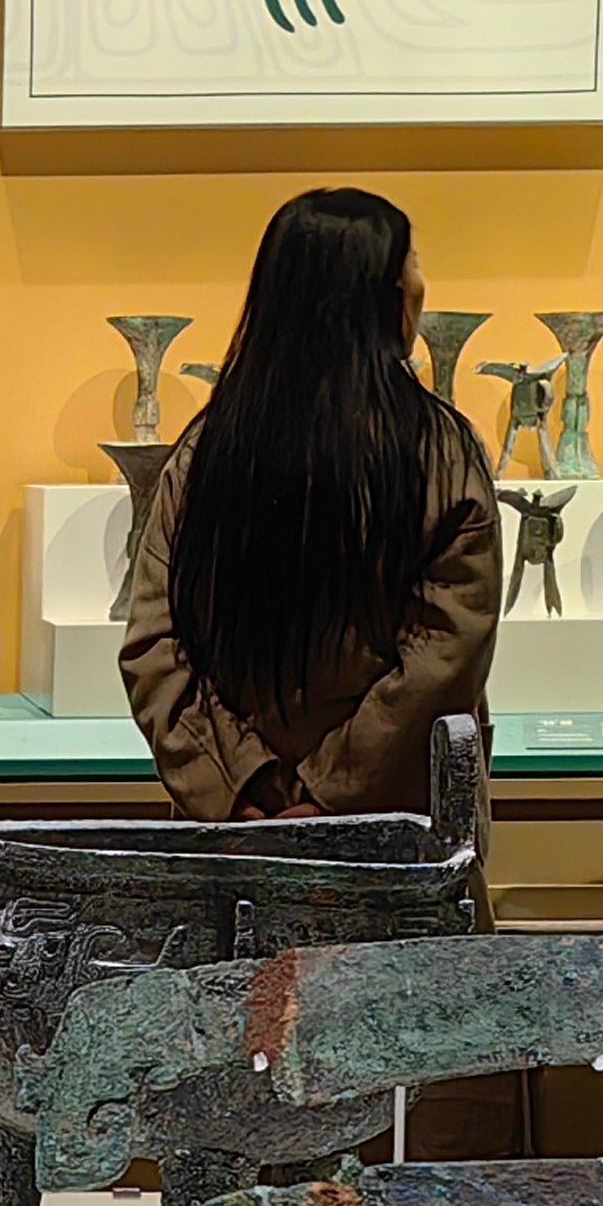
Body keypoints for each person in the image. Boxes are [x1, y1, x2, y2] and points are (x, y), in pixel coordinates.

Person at [121, 185, 499, 821]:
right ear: (382, 295)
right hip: (391, 834)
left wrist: (242, 784)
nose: (421, 283)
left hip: (242, 835)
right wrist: (330, 796)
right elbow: (443, 654)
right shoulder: (439, 453)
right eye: (412, 264)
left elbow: (156, 643)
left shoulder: (207, 450)